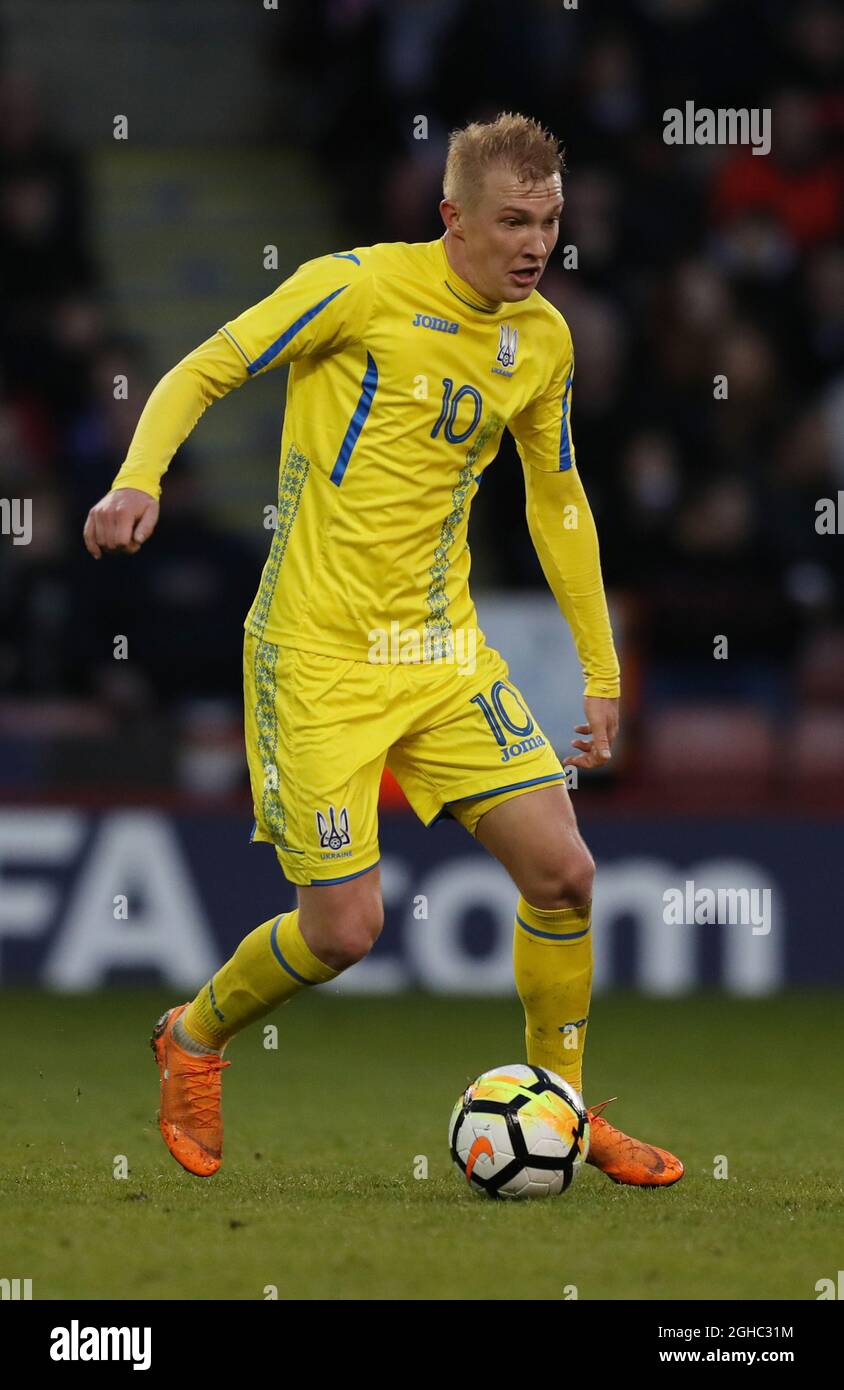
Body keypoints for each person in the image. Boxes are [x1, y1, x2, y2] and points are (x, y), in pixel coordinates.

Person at [84, 112, 683, 1188]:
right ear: (451, 217)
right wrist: (141, 473)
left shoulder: (541, 339)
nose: (533, 245)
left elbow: (557, 501)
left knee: (565, 875)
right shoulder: (354, 288)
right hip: (316, 652)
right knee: (345, 928)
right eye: (510, 222)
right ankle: (195, 1034)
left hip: (444, 651)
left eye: (548, 222)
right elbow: (205, 368)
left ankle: (564, 1106)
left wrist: (601, 671)